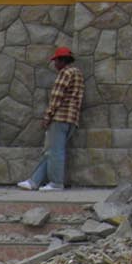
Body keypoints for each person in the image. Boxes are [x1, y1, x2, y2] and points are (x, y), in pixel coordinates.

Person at [18, 46, 84, 192]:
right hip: (72, 119)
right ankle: (34, 181)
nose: (54, 64)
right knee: (52, 151)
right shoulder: (78, 73)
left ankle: (56, 183)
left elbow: (56, 97)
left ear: (62, 60)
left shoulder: (65, 73)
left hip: (60, 117)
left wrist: (47, 116)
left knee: (55, 152)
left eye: (56, 61)